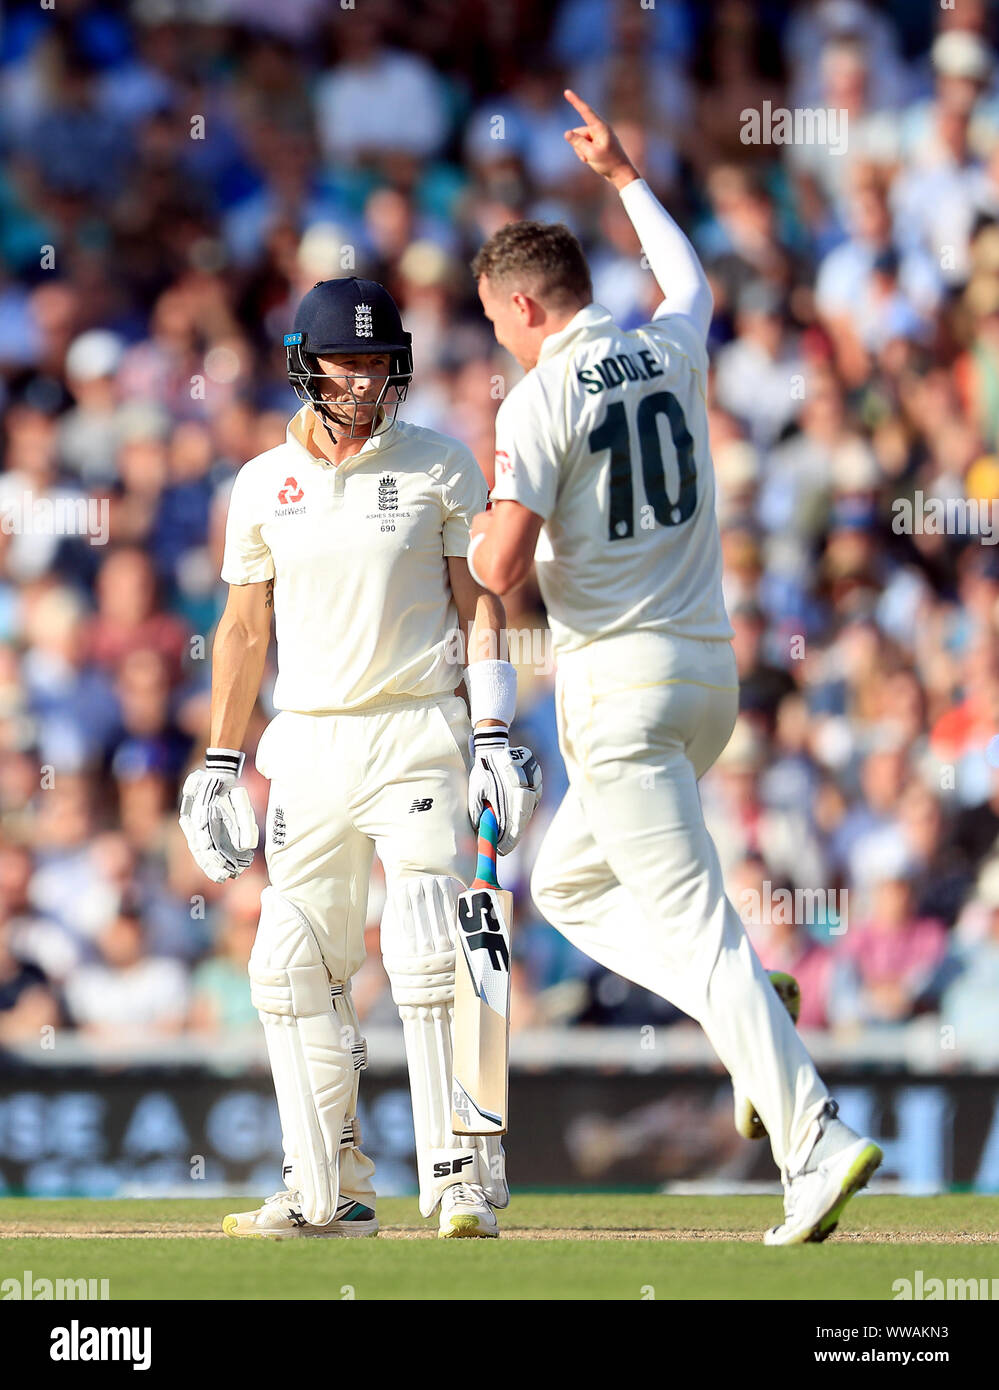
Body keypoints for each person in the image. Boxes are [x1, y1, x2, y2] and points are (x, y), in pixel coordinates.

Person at [466, 91, 881, 1245]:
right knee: (572, 887)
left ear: (522, 303)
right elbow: (691, 277)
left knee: (698, 926)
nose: (496, 336)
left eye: (496, 319)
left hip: (618, 695)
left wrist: (454, 524)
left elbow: (497, 570)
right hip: (709, 680)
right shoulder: (666, 339)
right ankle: (748, 1014)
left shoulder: (538, 398)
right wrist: (626, 178)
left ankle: (816, 1142)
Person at [179, 276, 541, 1239]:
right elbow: (245, 625)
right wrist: (220, 760)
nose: (366, 380)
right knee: (289, 961)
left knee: (429, 935)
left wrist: (496, 729)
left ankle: (461, 1173)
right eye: (347, 362)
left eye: (381, 363)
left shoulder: (441, 464)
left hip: (416, 728)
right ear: (304, 363)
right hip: (308, 740)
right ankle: (324, 1187)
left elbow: (482, 604)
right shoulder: (262, 483)